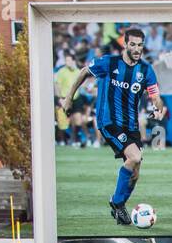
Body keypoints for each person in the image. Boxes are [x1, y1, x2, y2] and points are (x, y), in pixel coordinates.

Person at [62, 27, 166, 226]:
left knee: (135, 173)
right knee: (134, 157)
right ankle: (116, 202)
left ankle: (120, 207)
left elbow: (155, 96)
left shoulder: (146, 70)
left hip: (131, 125)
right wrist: (69, 98)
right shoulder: (109, 62)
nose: (137, 49)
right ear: (125, 44)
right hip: (108, 121)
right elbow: (84, 71)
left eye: (140, 45)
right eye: (133, 44)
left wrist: (158, 107)